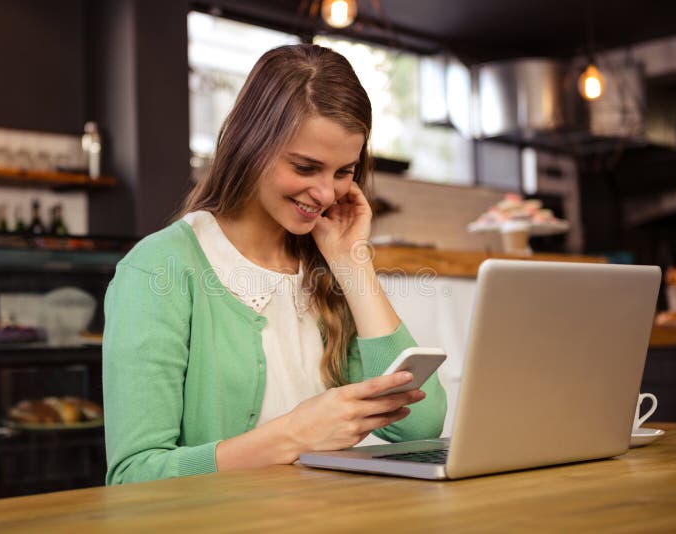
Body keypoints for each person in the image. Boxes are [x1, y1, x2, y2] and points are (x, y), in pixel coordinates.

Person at [103, 44, 447, 484]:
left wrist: (352, 264)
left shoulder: (325, 267)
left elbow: (420, 425)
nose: (326, 194)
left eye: (344, 172)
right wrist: (292, 435)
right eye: (306, 167)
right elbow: (134, 477)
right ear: (252, 145)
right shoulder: (160, 268)